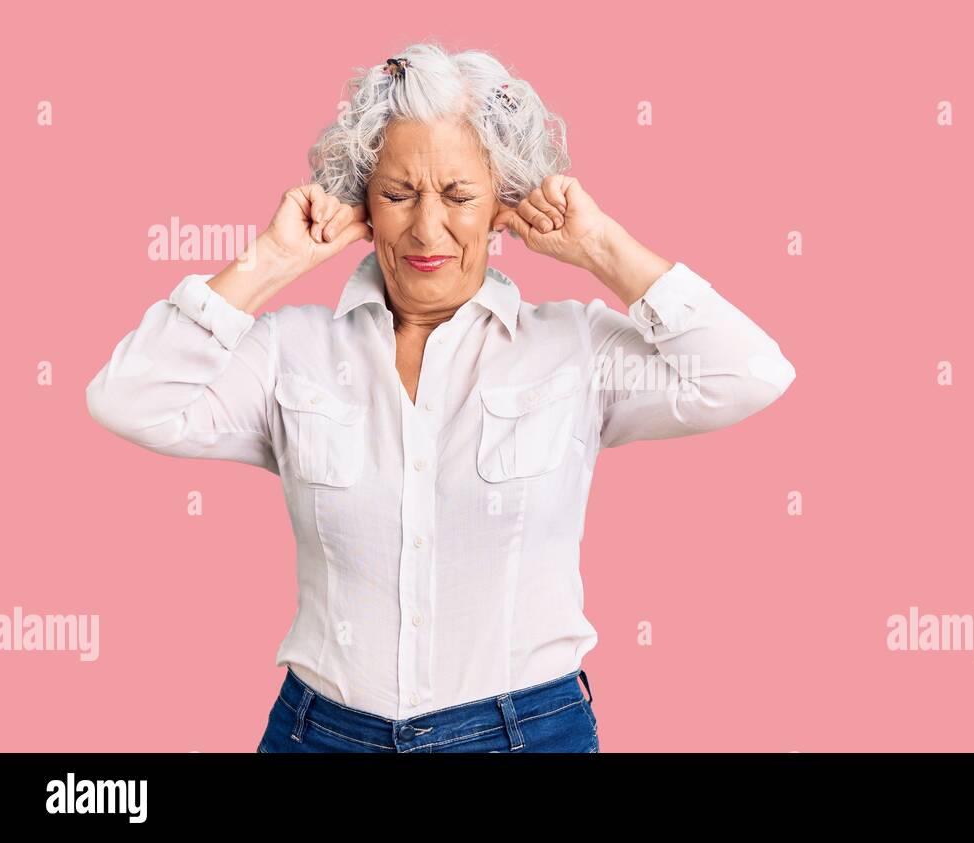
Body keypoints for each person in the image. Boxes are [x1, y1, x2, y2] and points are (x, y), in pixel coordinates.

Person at [85, 42, 796, 753]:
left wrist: (601, 247)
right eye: (398, 194)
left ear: (502, 204)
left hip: (528, 735)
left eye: (459, 196)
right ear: (361, 199)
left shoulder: (575, 349)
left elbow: (750, 372)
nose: (427, 229)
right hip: (321, 735)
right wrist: (269, 260)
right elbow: (129, 397)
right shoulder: (289, 354)